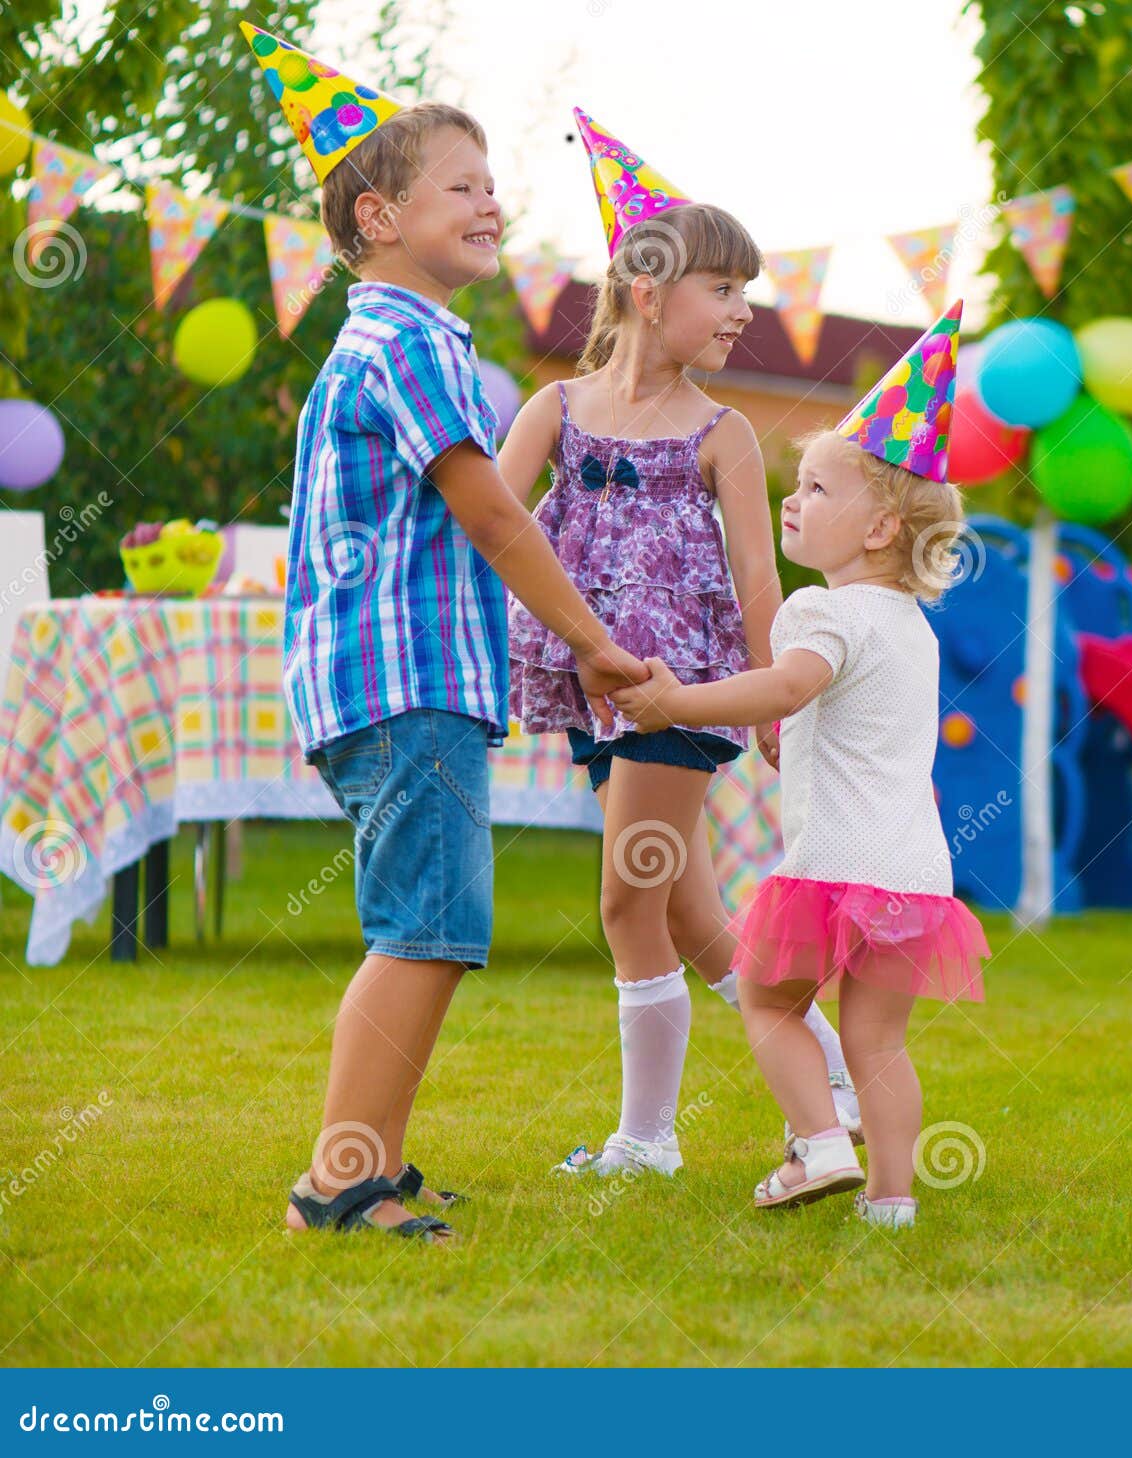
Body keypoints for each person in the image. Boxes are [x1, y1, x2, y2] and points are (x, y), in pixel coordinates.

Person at [241, 27, 643, 1242]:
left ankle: (376, 1159)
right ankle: (338, 1182)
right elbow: (491, 513)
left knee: (429, 926)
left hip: (405, 685)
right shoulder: (403, 341)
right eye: (460, 186)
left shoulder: (404, 341)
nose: (492, 203)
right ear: (376, 217)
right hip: (402, 685)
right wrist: (592, 642)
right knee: (422, 929)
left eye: (490, 186)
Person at [501, 109, 858, 1179]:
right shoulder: (554, 408)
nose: (743, 313)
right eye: (724, 289)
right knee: (694, 916)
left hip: (678, 690)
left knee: (625, 897)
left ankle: (645, 1141)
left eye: (747, 291)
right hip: (595, 689)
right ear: (650, 291)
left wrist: (777, 705)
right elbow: (489, 523)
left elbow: (760, 582)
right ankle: (831, 1083)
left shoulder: (725, 433)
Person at [613, 304, 989, 1229]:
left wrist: (675, 702)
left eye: (817, 489)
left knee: (765, 994)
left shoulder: (821, 613)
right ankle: (891, 1202)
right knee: (879, 1044)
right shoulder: (912, 626)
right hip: (914, 876)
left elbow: (780, 691)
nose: (792, 498)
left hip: (833, 865)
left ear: (879, 530)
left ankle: (819, 1145)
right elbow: (838, 714)